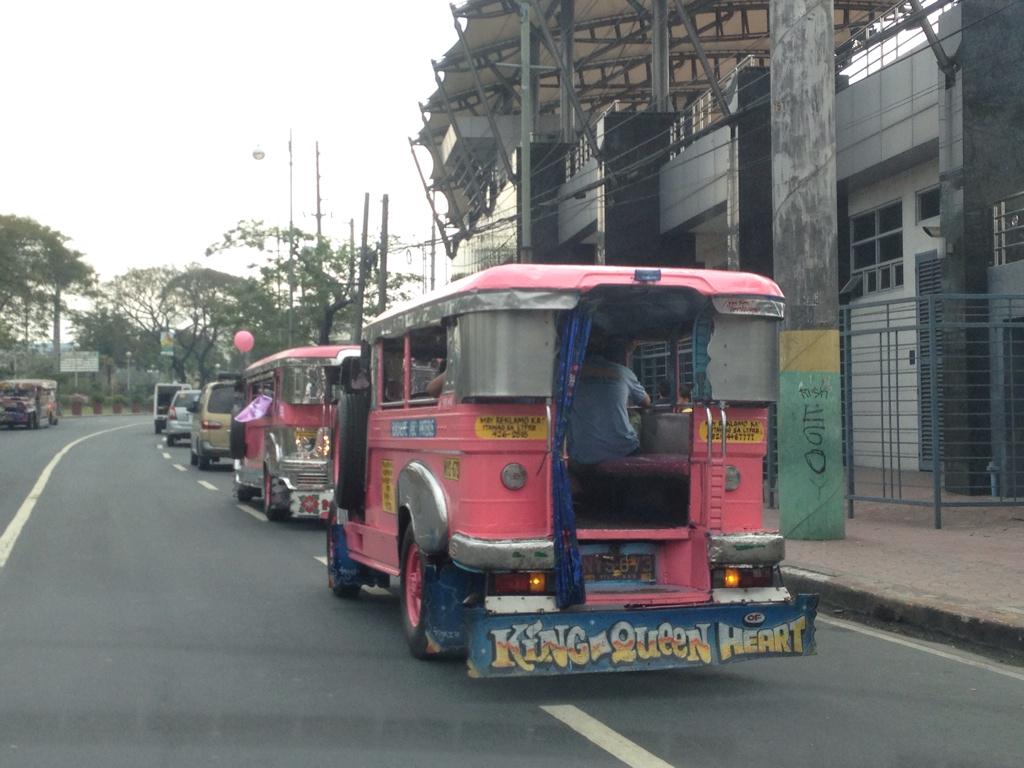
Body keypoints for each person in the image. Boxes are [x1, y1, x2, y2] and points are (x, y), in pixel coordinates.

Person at [567, 334, 651, 466]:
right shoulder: (624, 373)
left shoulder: (569, 375)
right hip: (623, 450)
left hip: (583, 454)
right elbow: (646, 402)